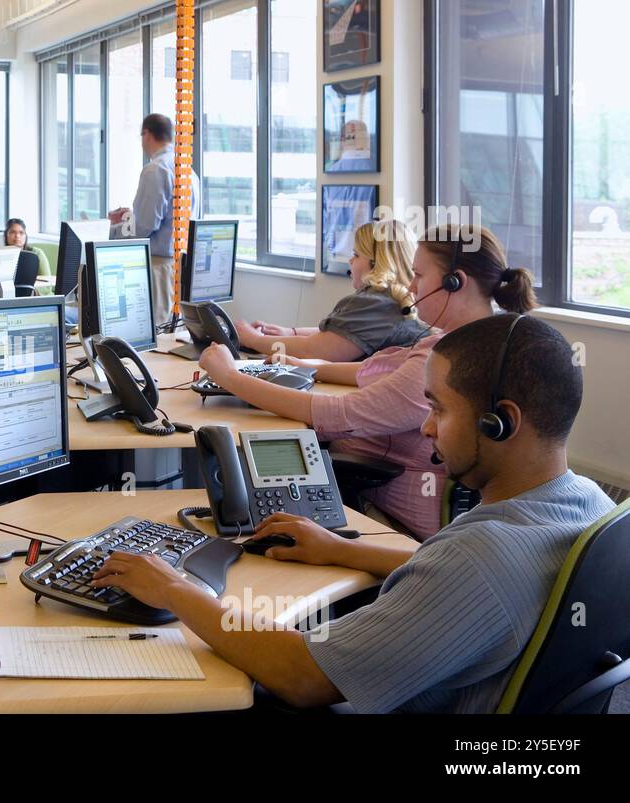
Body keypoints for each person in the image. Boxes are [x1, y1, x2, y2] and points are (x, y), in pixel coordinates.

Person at [93, 314, 613, 713]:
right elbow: (464, 577)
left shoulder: (481, 559)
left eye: (439, 408)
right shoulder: (588, 503)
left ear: (501, 423)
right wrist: (343, 549)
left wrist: (174, 590)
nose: (427, 429)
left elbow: (303, 677)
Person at [198, 225, 538, 540]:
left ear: (455, 282)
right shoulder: (474, 341)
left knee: (253, 469)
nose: (413, 287)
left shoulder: (450, 360)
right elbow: (379, 368)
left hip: (395, 517)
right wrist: (306, 366)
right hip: (397, 488)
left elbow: (339, 415)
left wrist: (231, 376)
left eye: (419, 275)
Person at [235, 219, 425, 360]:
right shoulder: (398, 298)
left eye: (356, 254)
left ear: (376, 263)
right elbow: (343, 336)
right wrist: (291, 333)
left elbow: (314, 350)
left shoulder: (375, 301)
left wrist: (253, 339)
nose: (351, 261)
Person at [109, 113, 175, 327]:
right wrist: (131, 216)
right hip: (176, 266)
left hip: (156, 266)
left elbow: (144, 227)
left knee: (154, 335)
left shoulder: (155, 169)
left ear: (147, 134)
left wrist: (112, 231)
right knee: (169, 330)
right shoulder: (187, 170)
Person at [4, 217, 51, 281]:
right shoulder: (2, 255)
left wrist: (31, 289)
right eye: (12, 232)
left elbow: (47, 283)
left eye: (21, 233)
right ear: (6, 235)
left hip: (35, 290)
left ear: (26, 235)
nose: (17, 236)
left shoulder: (37, 253)